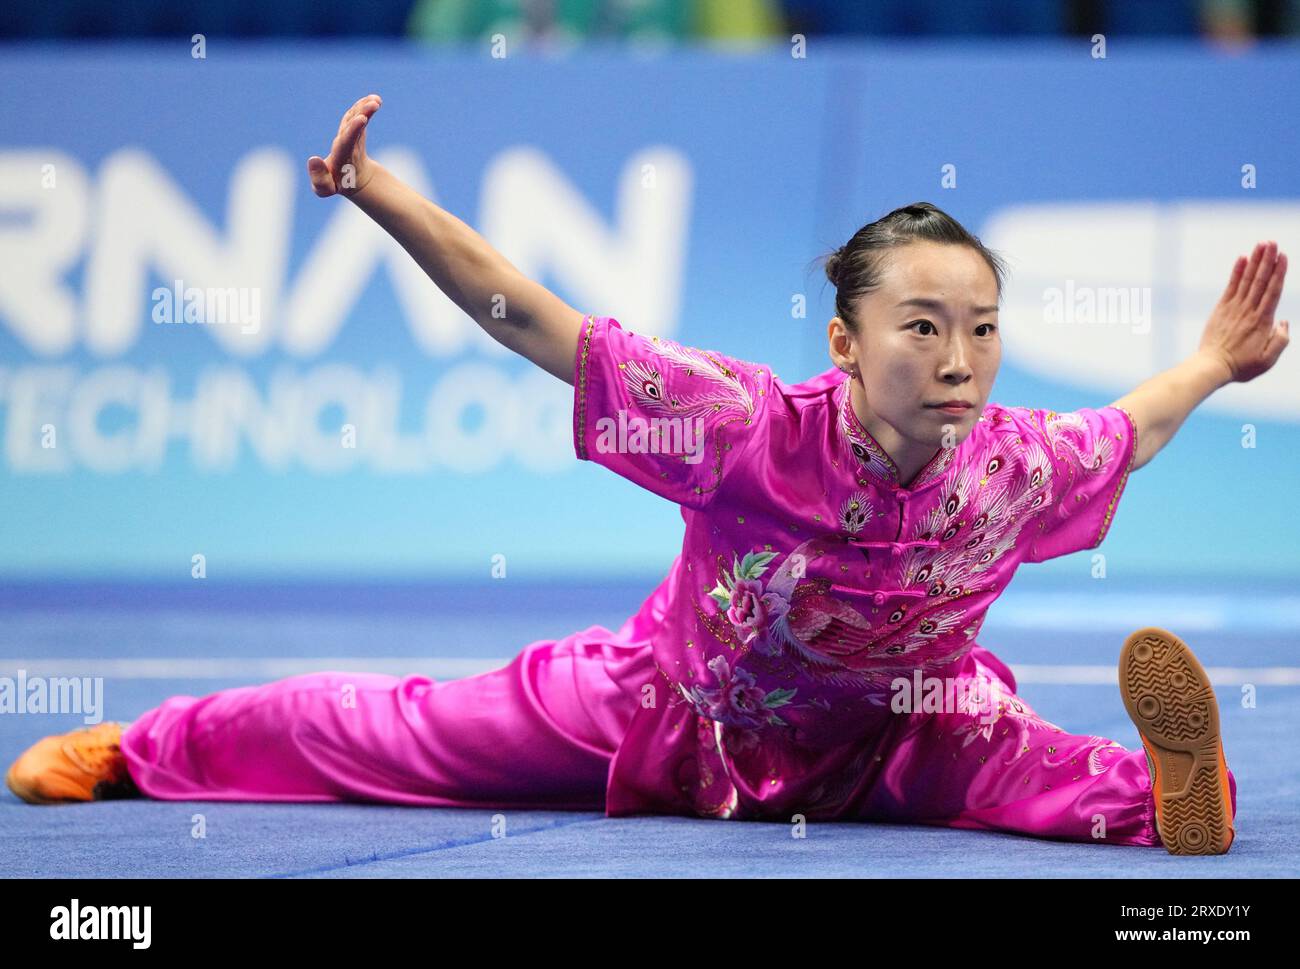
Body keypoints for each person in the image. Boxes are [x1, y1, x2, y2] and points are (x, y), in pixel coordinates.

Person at [8, 95, 1288, 856]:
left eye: (984, 328)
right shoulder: (741, 427)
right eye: (923, 327)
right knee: (390, 729)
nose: (959, 358)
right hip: (663, 705)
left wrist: (1212, 364)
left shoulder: (1011, 466)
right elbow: (531, 321)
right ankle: (144, 746)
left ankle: (1186, 796)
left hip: (903, 718)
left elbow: (1130, 426)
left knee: (1042, 768)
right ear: (845, 343)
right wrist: (380, 201)